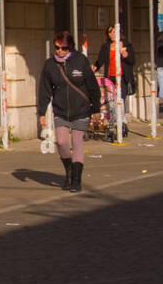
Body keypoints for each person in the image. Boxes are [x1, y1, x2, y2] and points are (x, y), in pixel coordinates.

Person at [37, 31, 101, 192]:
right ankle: (69, 171)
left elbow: (92, 86)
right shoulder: (50, 65)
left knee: (77, 142)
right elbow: (44, 89)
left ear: (70, 47)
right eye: (57, 47)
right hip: (60, 110)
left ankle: (77, 180)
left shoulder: (80, 61)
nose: (60, 51)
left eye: (64, 48)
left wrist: (96, 109)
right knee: (62, 142)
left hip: (81, 109)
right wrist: (41, 113)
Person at [93, 24, 134, 128]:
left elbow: (132, 61)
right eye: (110, 32)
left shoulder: (126, 45)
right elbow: (100, 61)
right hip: (110, 77)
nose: (112, 34)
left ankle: (122, 122)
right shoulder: (106, 47)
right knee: (111, 100)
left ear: (119, 32)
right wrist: (93, 68)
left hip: (122, 77)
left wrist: (126, 55)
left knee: (120, 99)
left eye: (114, 31)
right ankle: (115, 120)